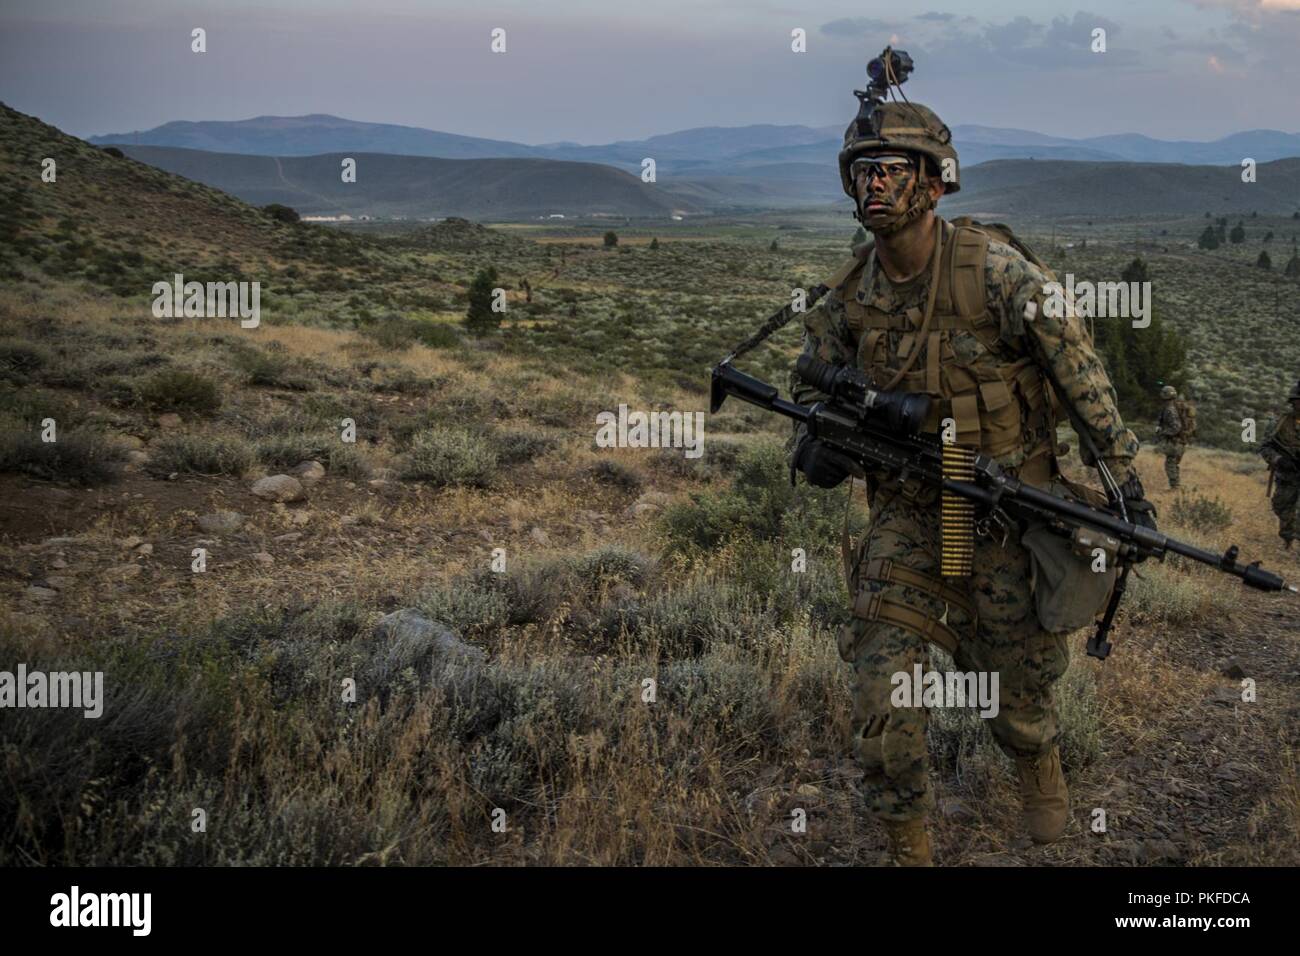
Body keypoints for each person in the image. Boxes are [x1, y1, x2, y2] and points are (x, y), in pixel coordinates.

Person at [789, 55, 1149, 865]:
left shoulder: (996, 273)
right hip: (909, 516)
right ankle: (909, 846)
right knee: (883, 699)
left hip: (1005, 513)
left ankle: (1035, 758)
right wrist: (818, 444)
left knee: (1016, 694)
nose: (874, 185)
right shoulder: (849, 298)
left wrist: (1124, 481)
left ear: (934, 181)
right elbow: (809, 388)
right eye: (863, 172)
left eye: (891, 170)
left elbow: (1080, 375)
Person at [1260, 380, 1300, 550]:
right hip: (1287, 475)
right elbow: (1265, 447)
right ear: (1293, 401)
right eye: (1298, 401)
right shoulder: (1280, 422)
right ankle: (1288, 537)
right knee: (1281, 506)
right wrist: (1279, 460)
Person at [1155, 385, 1189, 490]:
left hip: (1175, 442)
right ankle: (1176, 485)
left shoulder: (1169, 410)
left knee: (1170, 463)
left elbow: (1176, 427)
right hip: (1180, 441)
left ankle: (1175, 486)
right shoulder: (1175, 407)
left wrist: (1163, 432)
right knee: (1173, 463)